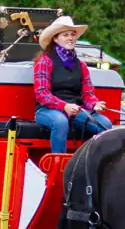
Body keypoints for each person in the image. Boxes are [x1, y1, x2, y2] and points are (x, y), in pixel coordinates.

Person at [32, 15, 113, 154]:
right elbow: (42, 94)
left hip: (76, 111)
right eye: (65, 35)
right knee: (60, 122)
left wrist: (94, 105)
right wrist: (64, 106)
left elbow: (87, 94)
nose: (70, 38)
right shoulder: (44, 62)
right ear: (55, 39)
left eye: (73, 34)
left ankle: (93, 164)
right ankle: (58, 164)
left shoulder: (81, 65)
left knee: (105, 125)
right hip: (47, 111)